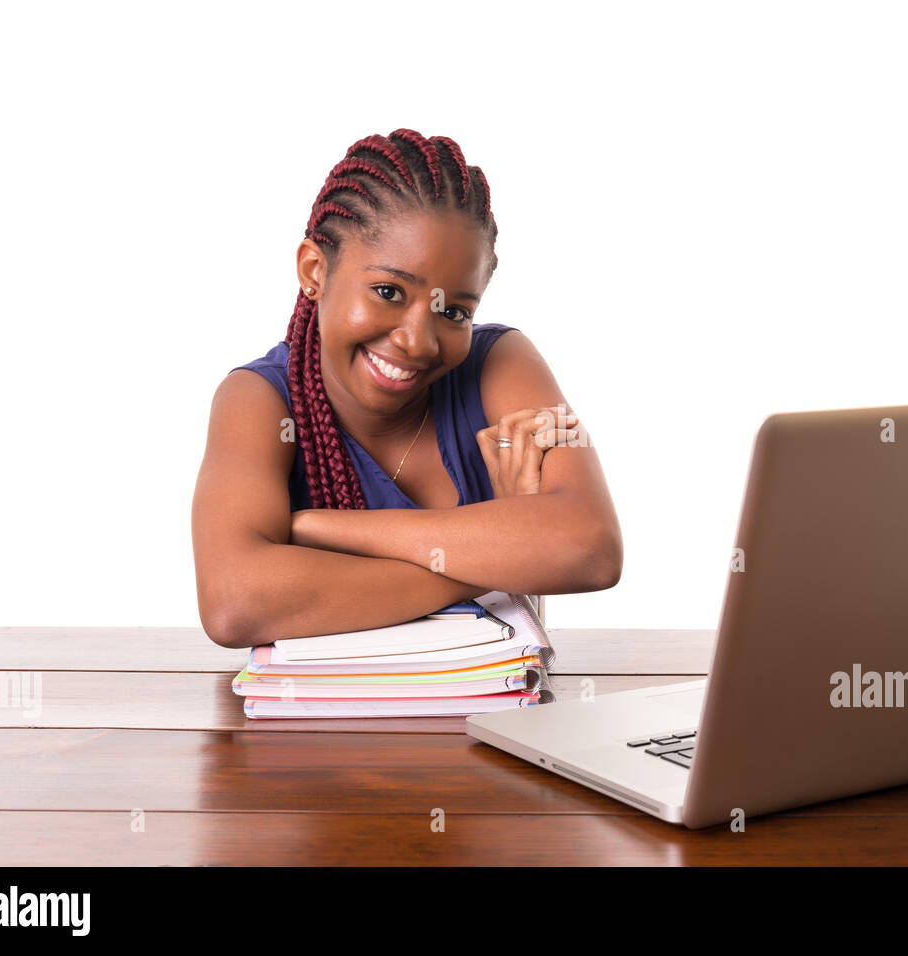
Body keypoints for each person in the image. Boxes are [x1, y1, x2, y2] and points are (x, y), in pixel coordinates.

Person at [191, 130, 622, 648]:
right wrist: (508, 559)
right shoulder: (257, 401)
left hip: (496, 721)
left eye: (454, 312)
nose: (418, 342)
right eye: (389, 292)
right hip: (317, 727)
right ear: (314, 271)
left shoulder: (502, 363)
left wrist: (315, 528)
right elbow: (235, 605)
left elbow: (590, 549)